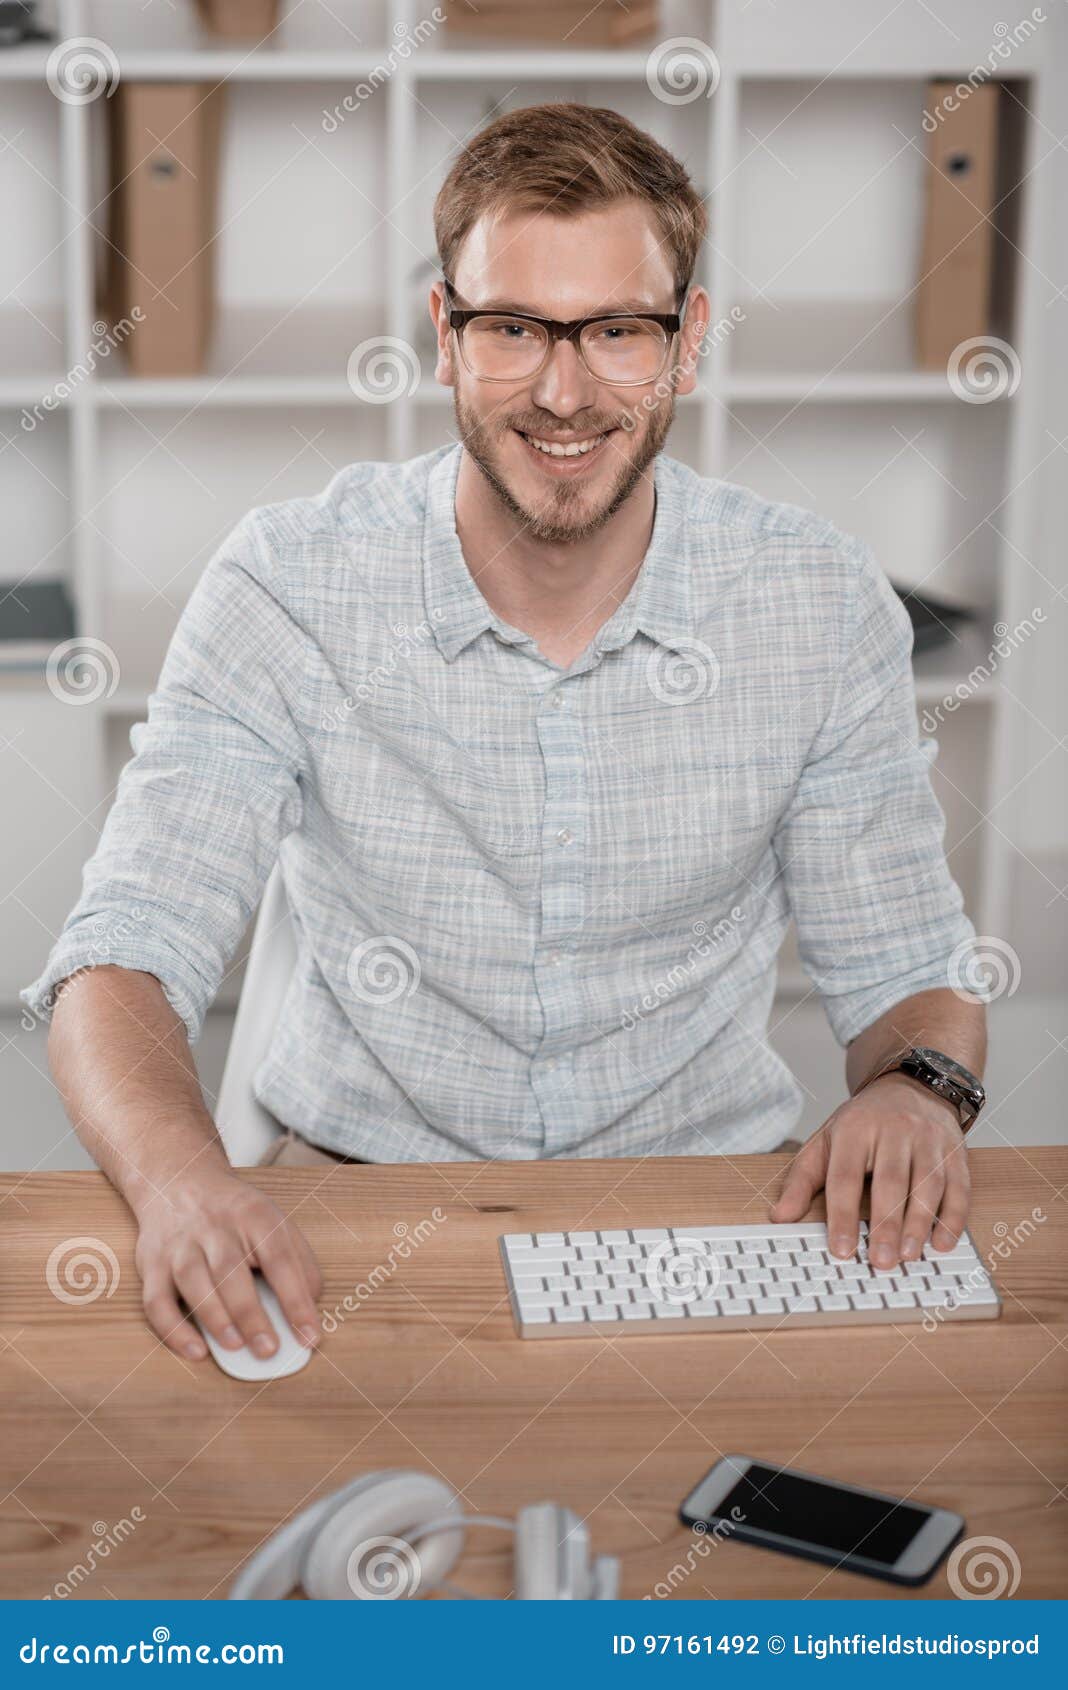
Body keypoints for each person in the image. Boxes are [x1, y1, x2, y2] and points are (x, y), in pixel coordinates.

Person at [23, 104, 986, 1365]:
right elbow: (121, 955)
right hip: (349, 1207)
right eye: (516, 328)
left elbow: (908, 971)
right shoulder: (289, 582)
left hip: (709, 1210)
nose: (566, 391)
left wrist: (920, 1091)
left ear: (688, 341)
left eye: (620, 331)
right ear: (444, 335)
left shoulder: (817, 605)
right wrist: (180, 1180)